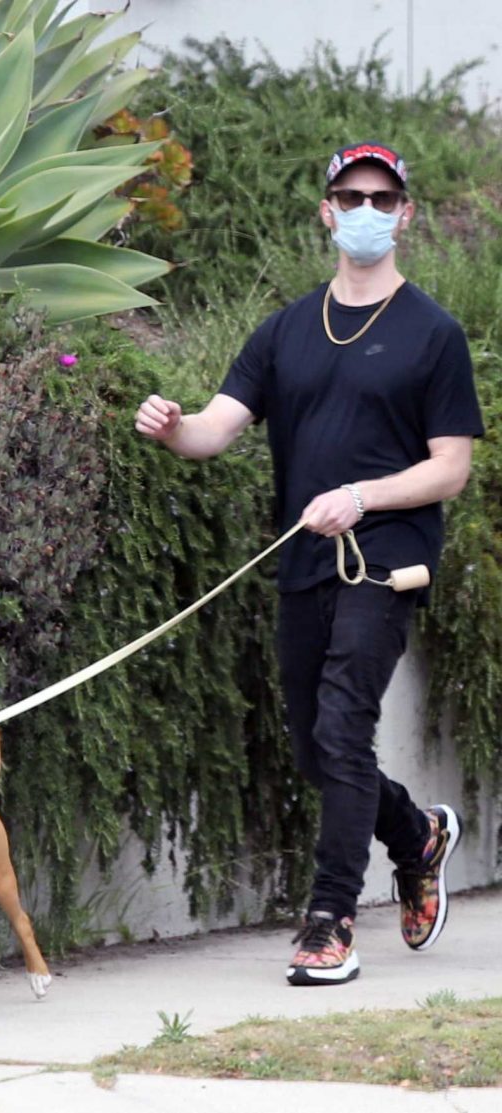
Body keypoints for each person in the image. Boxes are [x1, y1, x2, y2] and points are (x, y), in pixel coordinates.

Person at [135, 140, 484, 986]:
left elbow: (451, 466)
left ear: (406, 214)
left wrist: (363, 497)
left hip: (385, 564)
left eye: (382, 197)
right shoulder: (287, 329)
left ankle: (328, 921)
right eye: (350, 195)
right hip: (303, 566)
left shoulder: (432, 332)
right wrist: (172, 424)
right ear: (326, 211)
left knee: (341, 729)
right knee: (313, 748)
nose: (366, 209)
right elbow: (216, 429)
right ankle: (416, 835)